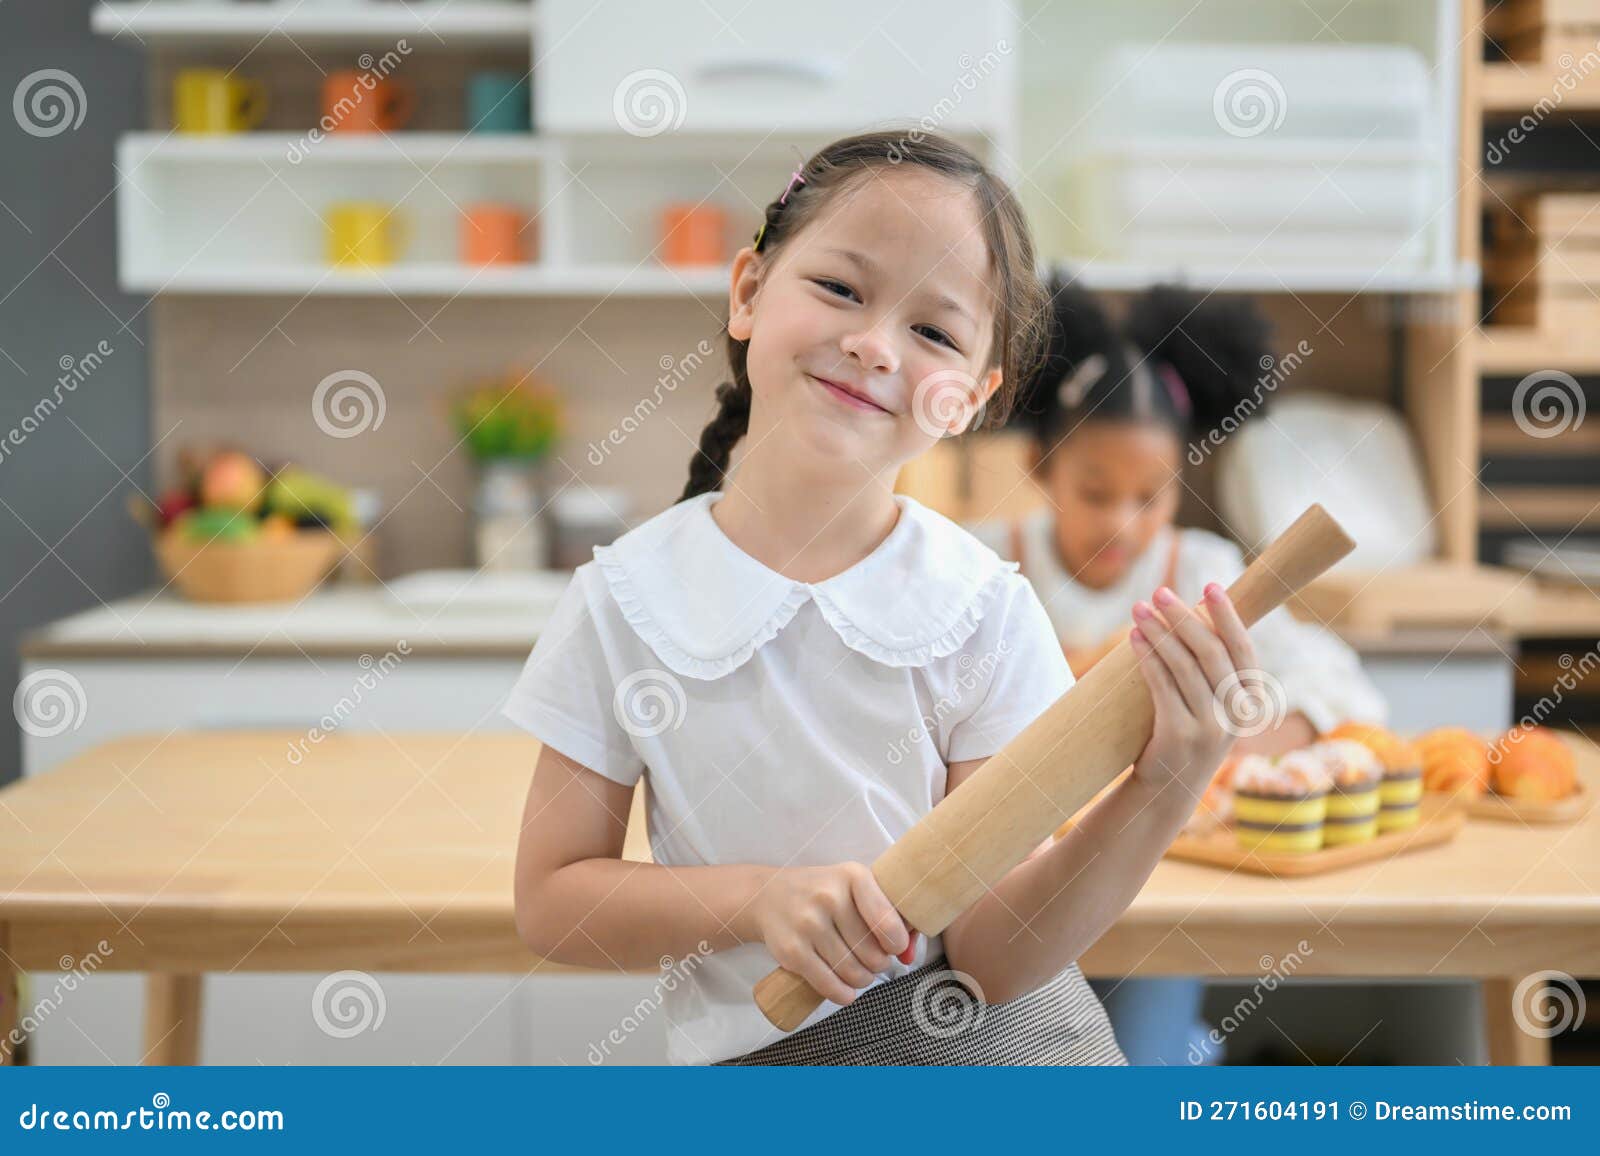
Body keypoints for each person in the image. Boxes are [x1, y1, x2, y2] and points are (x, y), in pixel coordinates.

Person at [503, 131, 1257, 1066]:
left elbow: (991, 955)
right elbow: (553, 902)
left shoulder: (984, 607)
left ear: (970, 402)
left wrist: (1166, 785)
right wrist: (759, 900)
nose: (872, 344)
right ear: (748, 292)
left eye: (933, 332)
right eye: (840, 288)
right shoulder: (622, 601)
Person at [968, 276, 1386, 1064]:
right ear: (1040, 466)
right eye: (1095, 492)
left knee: (1145, 1069)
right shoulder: (983, 566)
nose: (1123, 522)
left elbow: (1342, 687)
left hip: (1162, 888)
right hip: (1015, 899)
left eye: (1151, 496)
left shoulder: (1203, 573)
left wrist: (1228, 746)